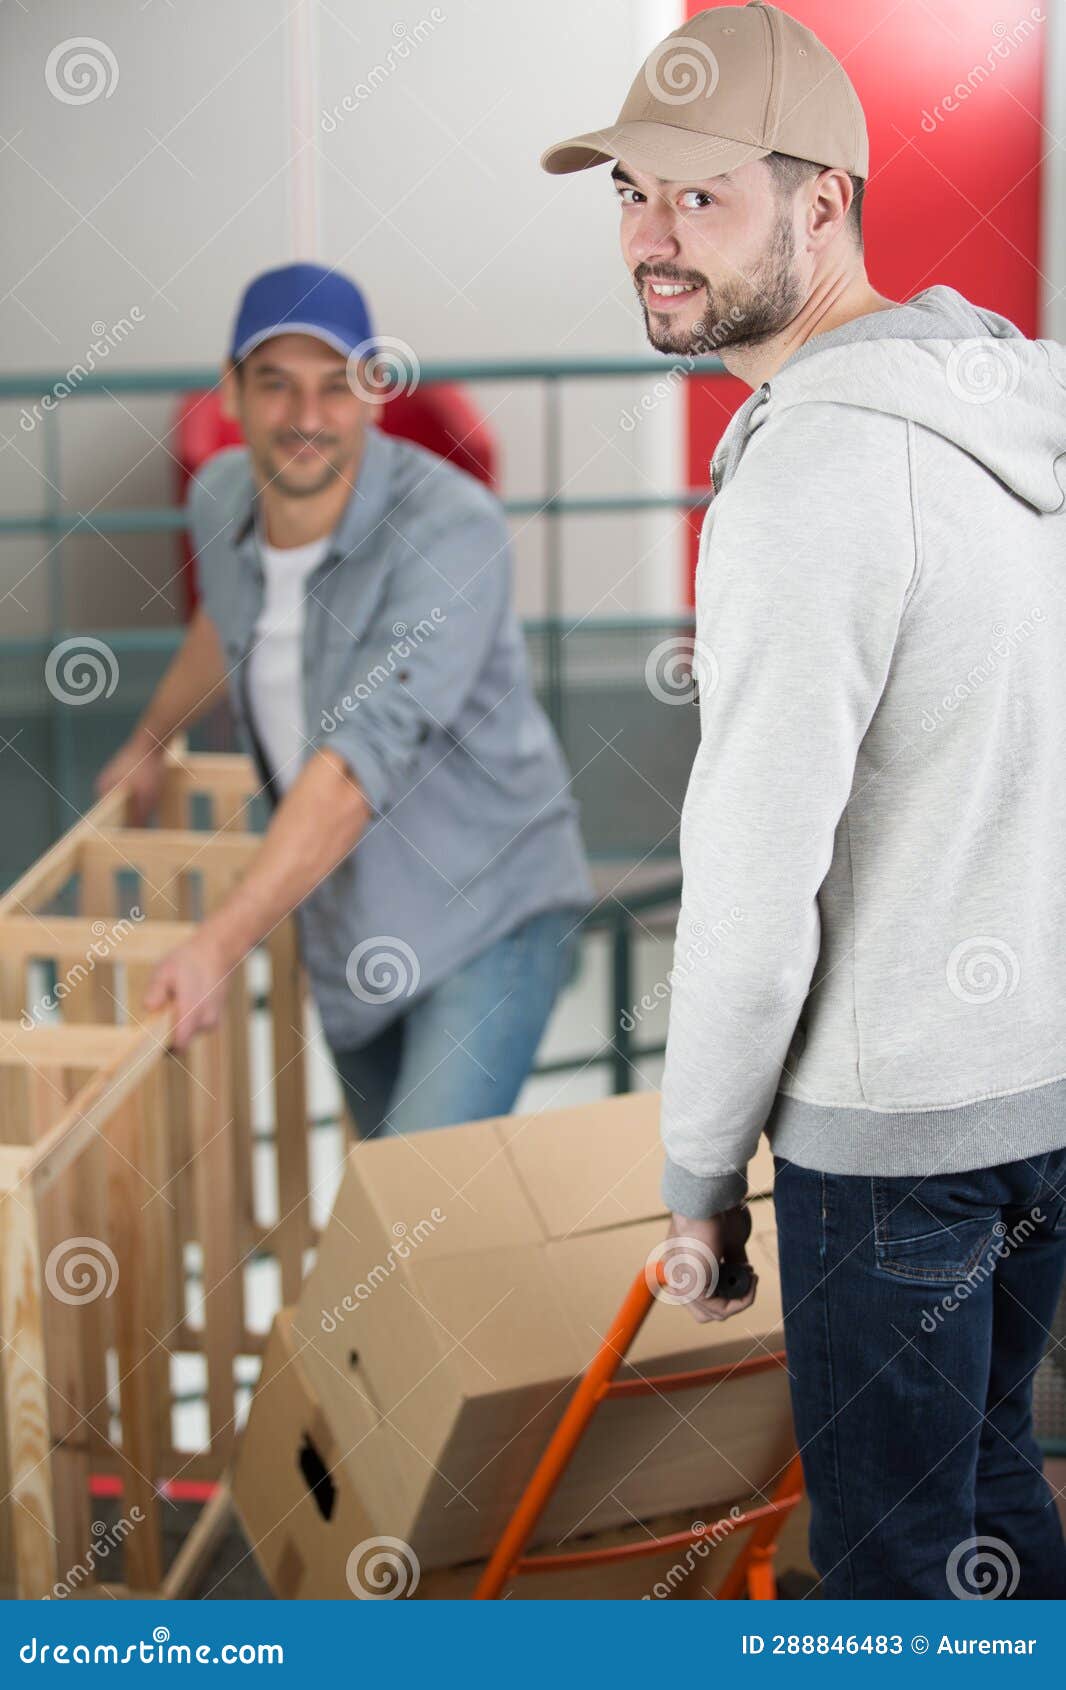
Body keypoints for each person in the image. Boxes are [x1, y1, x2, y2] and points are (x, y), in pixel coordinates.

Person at [543, 0, 1066, 1600]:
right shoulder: (1008, 404)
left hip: (895, 1138)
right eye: (630, 193)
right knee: (987, 1488)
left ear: (822, 202)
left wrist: (700, 1176)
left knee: (894, 1565)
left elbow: (752, 882)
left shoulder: (811, 476)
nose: (650, 239)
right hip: (1036, 1088)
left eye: (699, 196)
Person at [97, 263, 594, 1138]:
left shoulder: (453, 529)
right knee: (383, 1193)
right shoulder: (222, 499)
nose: (307, 416)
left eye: (336, 385)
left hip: (490, 912)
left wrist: (218, 943)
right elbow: (226, 620)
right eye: (276, 385)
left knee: (414, 1196)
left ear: (374, 393)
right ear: (232, 392)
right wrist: (148, 741)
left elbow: (360, 760)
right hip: (353, 923)